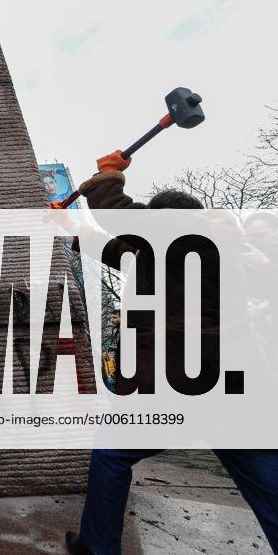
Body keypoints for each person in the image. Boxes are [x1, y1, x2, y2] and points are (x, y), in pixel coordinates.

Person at [66, 152, 278, 555]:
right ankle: (95, 544)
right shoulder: (169, 257)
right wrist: (69, 229)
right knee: (264, 473)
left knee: (112, 454)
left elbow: (123, 219)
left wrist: (107, 177)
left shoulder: (197, 241)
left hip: (185, 376)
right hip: (230, 383)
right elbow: (115, 249)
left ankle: (97, 546)